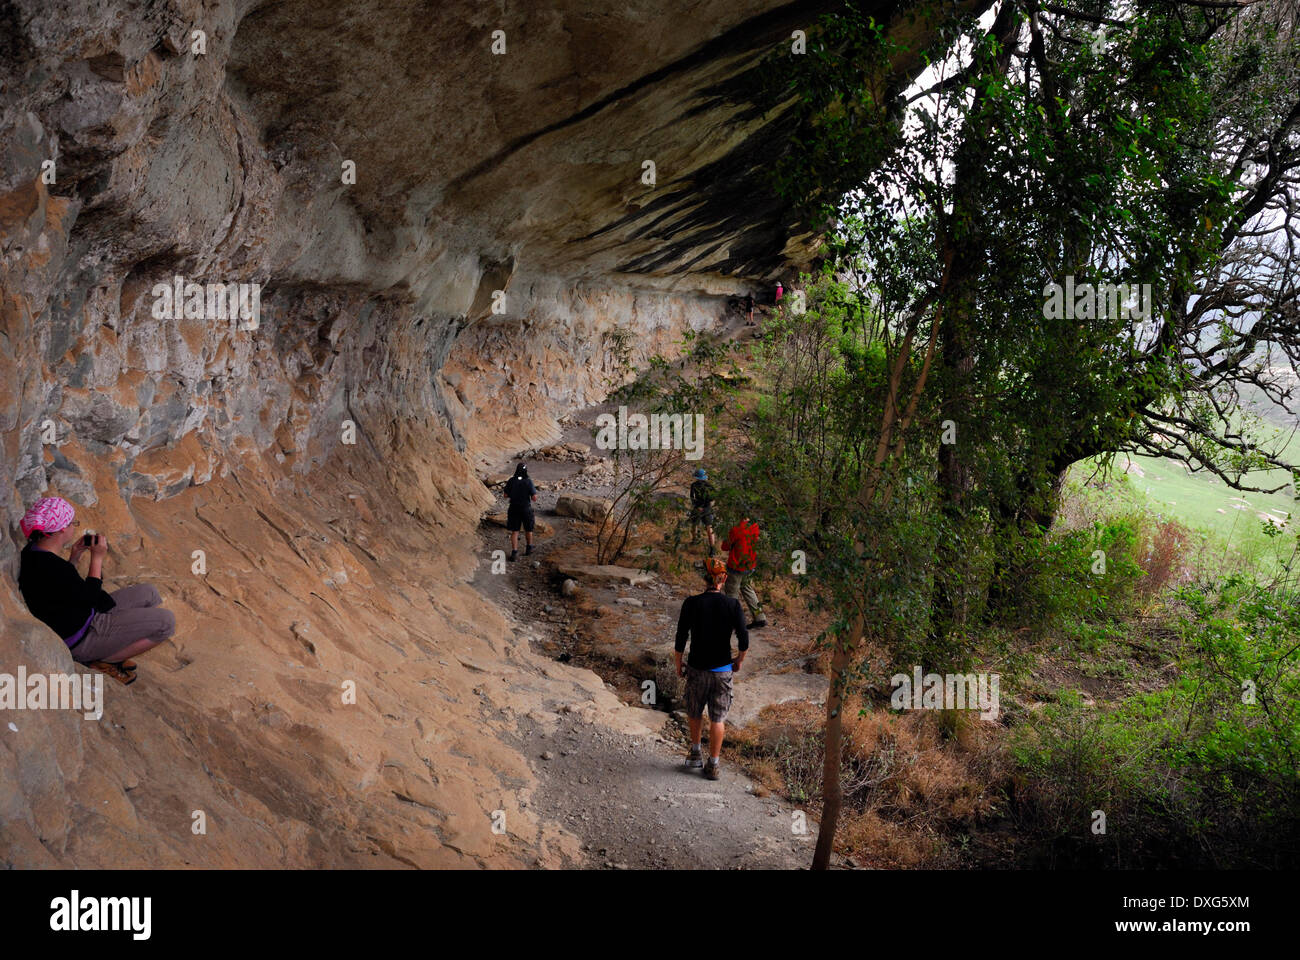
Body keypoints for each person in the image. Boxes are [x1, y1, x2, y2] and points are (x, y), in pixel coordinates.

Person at [16, 497, 176, 686]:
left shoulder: (33, 552)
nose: (73, 527)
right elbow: (89, 597)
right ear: (61, 530)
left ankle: (117, 641)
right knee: (167, 623)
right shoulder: (53, 567)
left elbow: (62, 586)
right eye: (72, 523)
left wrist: (75, 557)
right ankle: (104, 661)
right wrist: (97, 558)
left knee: (149, 593)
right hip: (82, 637)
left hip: (80, 614)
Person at [675, 557, 748, 780]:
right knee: (718, 719)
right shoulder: (733, 605)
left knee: (695, 711)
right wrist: (738, 661)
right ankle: (713, 764)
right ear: (723, 578)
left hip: (697, 668)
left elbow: (680, 637)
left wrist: (679, 664)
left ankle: (696, 752)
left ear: (704, 578)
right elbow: (744, 640)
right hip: (722, 671)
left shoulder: (691, 603)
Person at [721, 516, 767, 628]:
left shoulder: (736, 528)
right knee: (748, 589)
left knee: (732, 593)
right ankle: (760, 617)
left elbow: (724, 547)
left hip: (736, 566)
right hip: (750, 564)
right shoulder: (754, 525)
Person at [503, 462, 538, 561]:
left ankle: (514, 553)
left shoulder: (511, 480)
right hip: (526, 508)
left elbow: (505, 496)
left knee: (515, 531)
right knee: (528, 529)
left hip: (513, 508)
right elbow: (534, 498)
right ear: (525, 470)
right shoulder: (528, 481)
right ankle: (529, 548)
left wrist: (514, 494)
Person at [688, 468, 716, 553]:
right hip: (707, 508)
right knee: (709, 528)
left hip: (697, 507)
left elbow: (692, 497)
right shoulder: (710, 486)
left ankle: (694, 540)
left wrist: (697, 506)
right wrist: (708, 507)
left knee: (694, 525)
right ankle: (712, 549)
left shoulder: (694, 485)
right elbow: (713, 499)